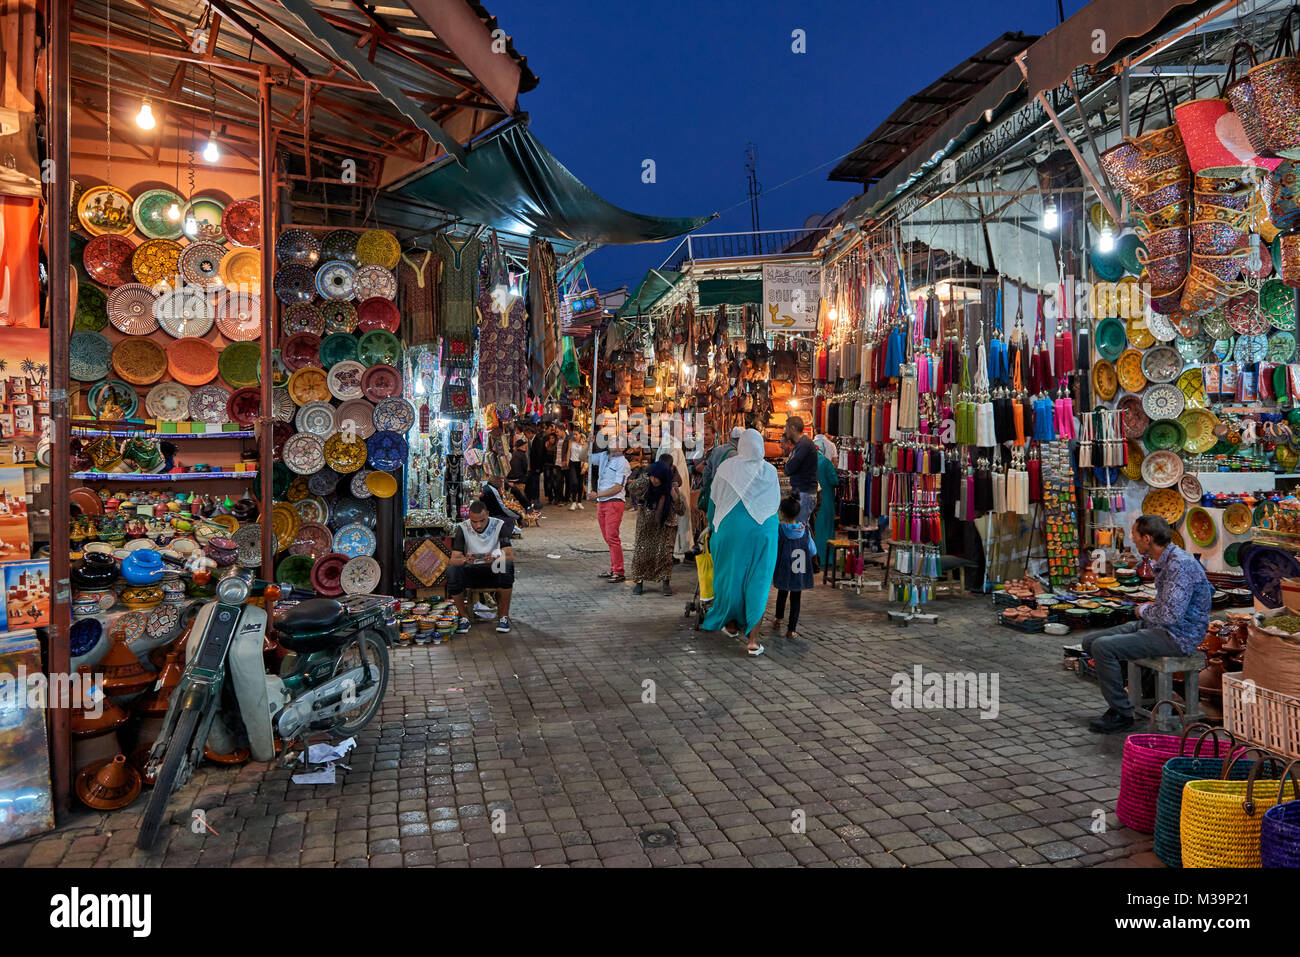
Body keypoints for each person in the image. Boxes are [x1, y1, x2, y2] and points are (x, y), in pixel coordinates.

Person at [1081, 514, 1213, 733]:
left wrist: (1143, 610)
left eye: (1135, 536)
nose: (1132, 540)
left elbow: (1171, 616)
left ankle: (1121, 713)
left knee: (1103, 647)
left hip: (1177, 636)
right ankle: (1143, 690)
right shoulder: (1166, 560)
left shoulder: (1179, 565)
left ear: (1147, 538)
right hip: (1158, 627)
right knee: (1089, 641)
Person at [701, 428, 780, 657]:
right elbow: (773, 504)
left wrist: (712, 524)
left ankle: (732, 624)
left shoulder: (727, 468)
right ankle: (753, 640)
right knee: (759, 581)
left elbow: (714, 502)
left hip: (730, 531)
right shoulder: (770, 471)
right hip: (763, 532)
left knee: (730, 578)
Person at [447, 500, 515, 634]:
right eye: (474, 522)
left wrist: (496, 558)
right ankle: (464, 617)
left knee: (506, 566)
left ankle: (503, 617)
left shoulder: (499, 525)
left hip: (494, 570)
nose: (478, 525)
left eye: (482, 521)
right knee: (452, 571)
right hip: (472, 571)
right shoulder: (463, 528)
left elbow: (510, 556)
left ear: (488, 515)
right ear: (469, 518)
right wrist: (464, 560)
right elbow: (453, 560)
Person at [626, 457, 685, 595]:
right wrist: (646, 477)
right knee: (641, 554)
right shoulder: (647, 483)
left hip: (666, 526)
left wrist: (674, 496)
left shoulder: (671, 487)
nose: (654, 480)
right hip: (646, 525)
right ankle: (639, 582)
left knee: (665, 555)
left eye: (657, 477)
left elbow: (681, 511)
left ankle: (665, 583)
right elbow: (631, 488)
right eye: (652, 476)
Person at [771, 495, 816, 640]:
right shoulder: (806, 530)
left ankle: (778, 619)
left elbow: (774, 547)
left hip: (784, 565)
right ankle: (792, 630)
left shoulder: (780, 530)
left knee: (782, 592)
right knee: (796, 596)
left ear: (781, 513)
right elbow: (812, 550)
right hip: (800, 565)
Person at [587, 441, 631, 582]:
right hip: (602, 502)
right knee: (608, 537)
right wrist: (588, 443)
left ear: (622, 447)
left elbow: (618, 487)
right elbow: (583, 457)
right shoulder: (604, 456)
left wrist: (597, 495)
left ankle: (619, 571)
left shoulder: (623, 463)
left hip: (614, 502)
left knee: (612, 537)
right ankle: (614, 568)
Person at [783, 415, 819, 525]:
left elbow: (790, 467)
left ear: (793, 428)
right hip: (803, 492)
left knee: (800, 528)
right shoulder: (801, 444)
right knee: (801, 527)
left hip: (805, 493)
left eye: (787, 427)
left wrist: (788, 466)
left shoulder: (804, 444)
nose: (785, 430)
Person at [698, 425, 741, 517]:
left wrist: (709, 487)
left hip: (713, 492)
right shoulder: (737, 455)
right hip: (725, 497)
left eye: (706, 434)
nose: (704, 437)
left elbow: (706, 472)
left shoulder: (717, 449)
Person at [812, 434, 840, 559]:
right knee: (827, 530)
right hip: (826, 500)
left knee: (816, 530)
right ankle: (826, 558)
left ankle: (816, 558)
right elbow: (834, 481)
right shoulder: (826, 463)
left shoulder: (810, 462)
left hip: (813, 501)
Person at [505, 437, 532, 509]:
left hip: (510, 478)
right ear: (522, 446)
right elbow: (525, 468)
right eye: (524, 445)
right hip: (518, 478)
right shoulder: (522, 455)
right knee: (521, 496)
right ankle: (524, 509)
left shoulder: (514, 454)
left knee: (512, 496)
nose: (526, 447)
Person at [567, 427, 587, 511]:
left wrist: (584, 467)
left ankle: (579, 502)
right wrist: (567, 462)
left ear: (580, 435)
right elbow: (568, 451)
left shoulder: (584, 443)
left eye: (576, 434)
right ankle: (574, 502)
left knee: (580, 483)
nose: (574, 436)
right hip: (572, 463)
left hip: (580, 464)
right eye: (573, 434)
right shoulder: (571, 441)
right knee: (574, 482)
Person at [527, 426, 547, 507]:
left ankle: (537, 500)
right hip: (534, 466)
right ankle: (535, 499)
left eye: (527, 434)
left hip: (536, 467)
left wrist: (538, 467)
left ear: (531, 433)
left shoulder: (537, 441)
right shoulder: (533, 440)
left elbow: (539, 455)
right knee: (534, 482)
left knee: (536, 483)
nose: (527, 436)